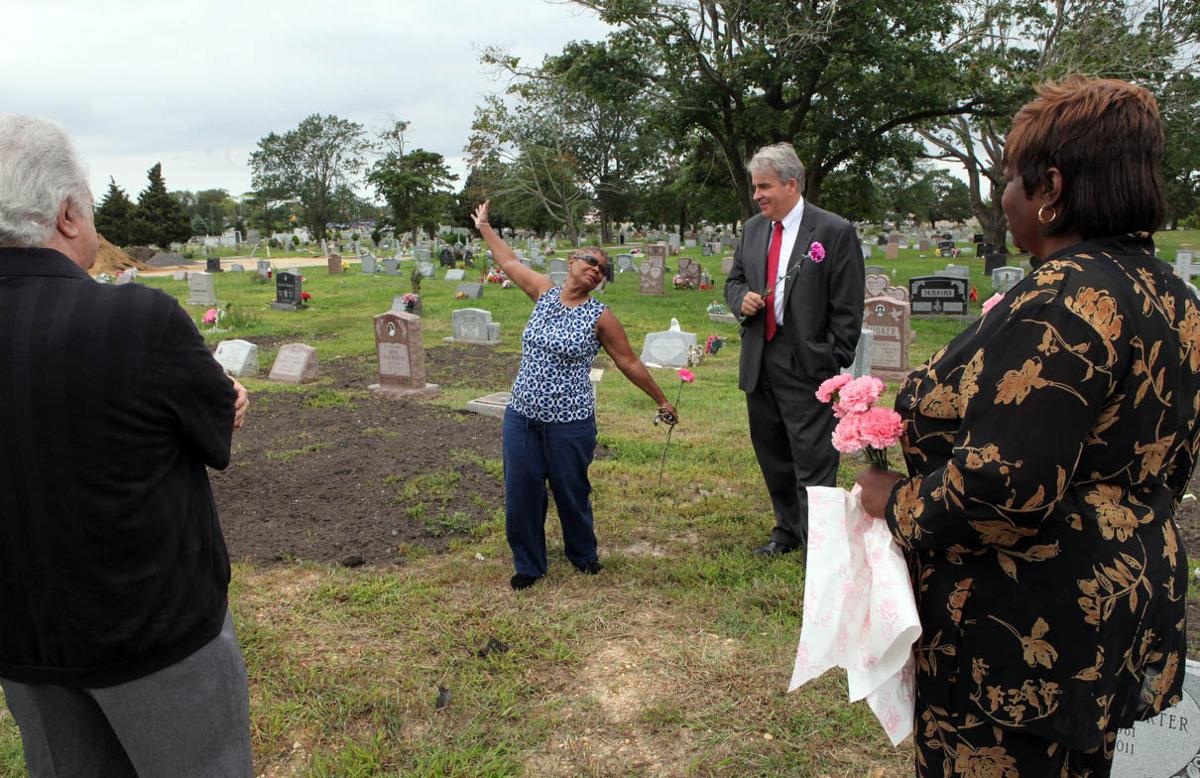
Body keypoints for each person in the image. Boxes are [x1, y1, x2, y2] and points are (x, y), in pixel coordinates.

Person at [857, 77, 1197, 775]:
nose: (1005, 197)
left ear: (1051, 187)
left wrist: (893, 502)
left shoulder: (1064, 298)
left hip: (1024, 633)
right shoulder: (1171, 294)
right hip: (1122, 600)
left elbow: (1002, 489)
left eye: (1011, 178)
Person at [0, 115, 253, 776]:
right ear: (66, 216)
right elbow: (214, 431)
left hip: (22, 640)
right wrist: (227, 398)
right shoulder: (138, 320)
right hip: (155, 636)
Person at [472, 200, 678, 590]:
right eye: (591, 261)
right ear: (571, 261)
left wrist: (661, 399)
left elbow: (628, 361)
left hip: (570, 422)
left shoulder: (600, 315)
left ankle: (582, 554)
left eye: (602, 269)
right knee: (522, 492)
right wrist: (484, 227)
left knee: (572, 490)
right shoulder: (544, 293)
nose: (596, 271)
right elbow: (510, 262)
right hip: (522, 415)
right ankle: (529, 565)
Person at [724, 142, 864, 556]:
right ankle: (787, 529)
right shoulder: (753, 229)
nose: (757, 196)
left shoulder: (833, 231)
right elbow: (733, 281)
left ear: (791, 183)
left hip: (806, 360)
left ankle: (818, 543)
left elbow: (848, 304)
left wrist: (831, 357)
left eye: (764, 186)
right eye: (755, 188)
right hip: (760, 357)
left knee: (813, 457)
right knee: (772, 451)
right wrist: (742, 299)